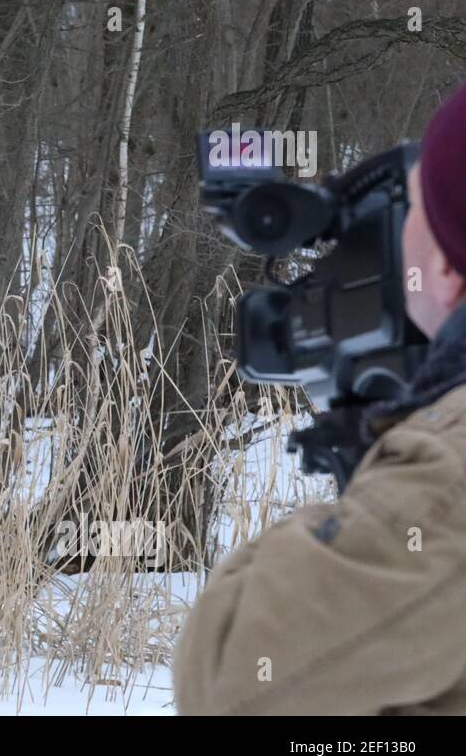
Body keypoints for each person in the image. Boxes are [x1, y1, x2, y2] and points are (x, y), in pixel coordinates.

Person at [174, 81, 466, 714]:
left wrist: (381, 468)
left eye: (413, 213)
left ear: (446, 270)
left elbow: (238, 680)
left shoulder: (451, 471)